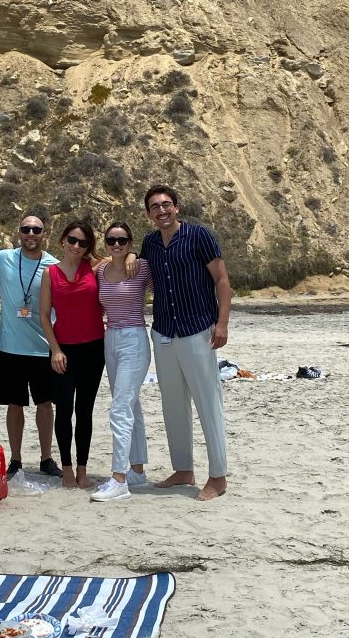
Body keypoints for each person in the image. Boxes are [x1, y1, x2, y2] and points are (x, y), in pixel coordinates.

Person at [139, 185, 232, 500]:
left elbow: (221, 280)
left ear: (176, 207)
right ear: (149, 213)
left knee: (208, 403)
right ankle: (183, 470)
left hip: (198, 330)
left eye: (166, 204)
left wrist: (222, 323)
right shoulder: (150, 243)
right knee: (173, 404)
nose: (161, 210)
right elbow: (139, 273)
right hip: (164, 331)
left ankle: (218, 477)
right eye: (155, 206)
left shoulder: (199, 236)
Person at [0, 213, 61, 480]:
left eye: (36, 230)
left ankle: (46, 458)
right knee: (14, 405)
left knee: (45, 405)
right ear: (18, 232)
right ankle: (16, 460)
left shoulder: (54, 265)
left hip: (43, 348)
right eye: (26, 229)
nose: (31, 234)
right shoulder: (3, 258)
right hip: (11, 349)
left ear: (44, 234)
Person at [39, 220, 106, 490]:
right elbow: (44, 315)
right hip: (63, 351)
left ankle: (82, 470)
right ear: (63, 240)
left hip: (94, 349)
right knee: (64, 409)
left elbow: (125, 256)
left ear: (88, 246)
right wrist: (55, 349)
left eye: (83, 242)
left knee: (85, 411)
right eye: (72, 240)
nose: (76, 246)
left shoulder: (95, 267)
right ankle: (66, 470)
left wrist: (131, 257)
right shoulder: (50, 273)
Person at [91, 221, 153, 503]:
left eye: (123, 240)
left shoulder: (141, 267)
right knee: (130, 405)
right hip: (111, 339)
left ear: (131, 242)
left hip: (134, 339)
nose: (117, 245)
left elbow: (168, 286)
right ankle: (136, 471)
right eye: (111, 240)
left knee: (119, 409)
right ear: (105, 242)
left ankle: (119, 479)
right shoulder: (101, 270)